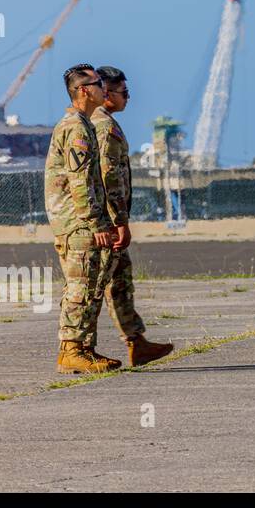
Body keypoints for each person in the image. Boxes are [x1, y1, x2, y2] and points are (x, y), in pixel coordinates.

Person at [92, 66, 173, 367]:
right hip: (105, 223)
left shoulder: (104, 123)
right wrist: (118, 221)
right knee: (93, 286)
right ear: (107, 93)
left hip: (108, 219)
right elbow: (108, 176)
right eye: (124, 92)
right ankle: (79, 348)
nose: (129, 97)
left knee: (119, 281)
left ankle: (136, 342)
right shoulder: (104, 127)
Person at [45, 65, 120, 373]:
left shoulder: (83, 123)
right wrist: (96, 222)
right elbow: (80, 181)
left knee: (90, 283)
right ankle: (72, 349)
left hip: (79, 220)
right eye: (99, 83)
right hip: (77, 222)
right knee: (80, 285)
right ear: (85, 91)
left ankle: (84, 348)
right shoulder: (76, 127)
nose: (105, 87)